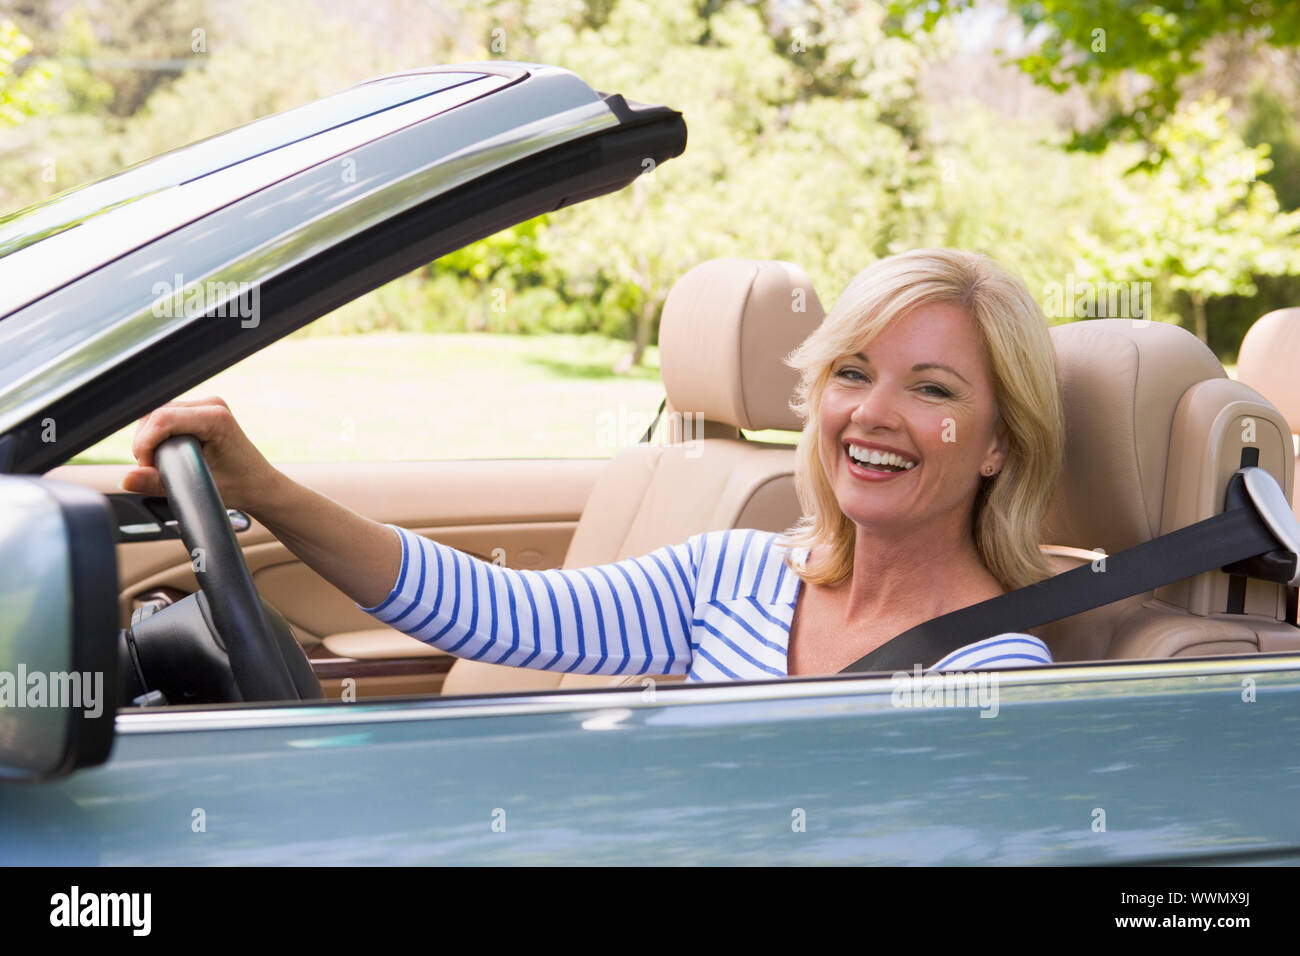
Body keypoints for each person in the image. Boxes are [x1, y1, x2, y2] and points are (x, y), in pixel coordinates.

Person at [123, 248, 1066, 681]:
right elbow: (501, 613)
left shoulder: (991, 669)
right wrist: (264, 491)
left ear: (996, 445)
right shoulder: (737, 573)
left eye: (932, 390)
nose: (872, 413)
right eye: (851, 373)